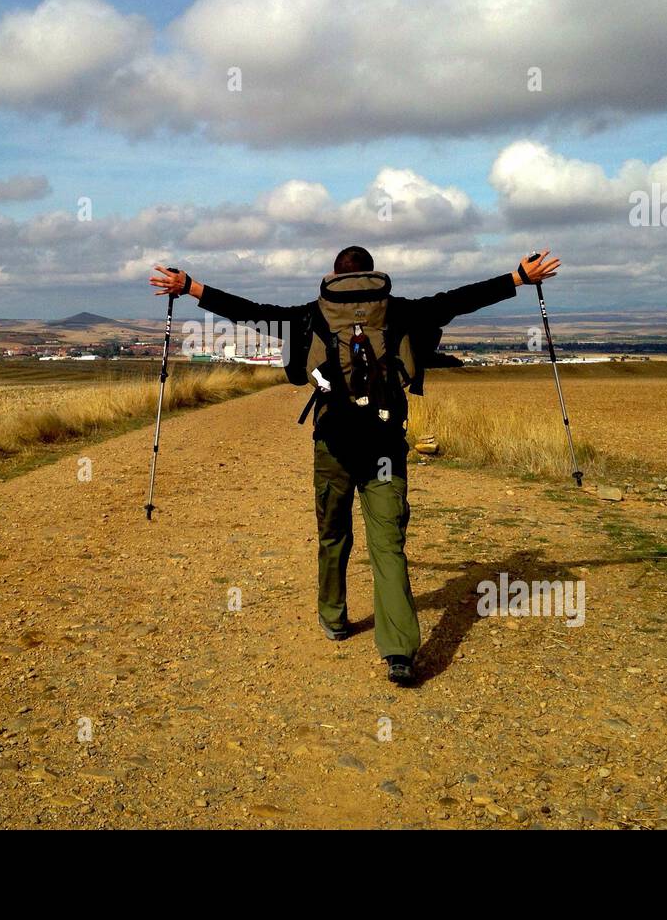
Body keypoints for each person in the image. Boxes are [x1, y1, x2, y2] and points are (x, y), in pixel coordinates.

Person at [148, 247, 560, 685]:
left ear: (334, 275)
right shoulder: (399, 311)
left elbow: (251, 312)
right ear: (373, 274)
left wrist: (190, 287)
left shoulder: (309, 315)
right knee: (388, 545)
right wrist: (517, 277)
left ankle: (334, 617)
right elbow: (460, 299)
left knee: (333, 534)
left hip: (334, 444)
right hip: (385, 446)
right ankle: (399, 652)